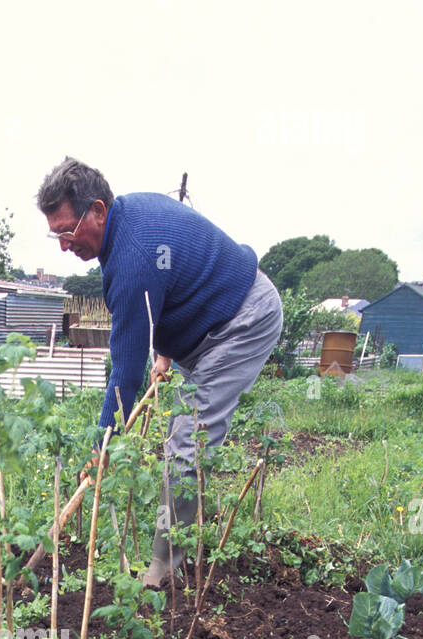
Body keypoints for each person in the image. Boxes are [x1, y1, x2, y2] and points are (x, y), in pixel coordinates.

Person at [37, 157, 283, 586]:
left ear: (97, 210)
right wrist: (165, 348)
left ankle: (163, 570)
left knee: (186, 444)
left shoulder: (132, 257)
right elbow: (172, 284)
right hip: (213, 318)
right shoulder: (127, 218)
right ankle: (171, 555)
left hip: (241, 321)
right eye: (55, 234)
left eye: (67, 231)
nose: (63, 245)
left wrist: (102, 447)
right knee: (181, 436)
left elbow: (125, 375)